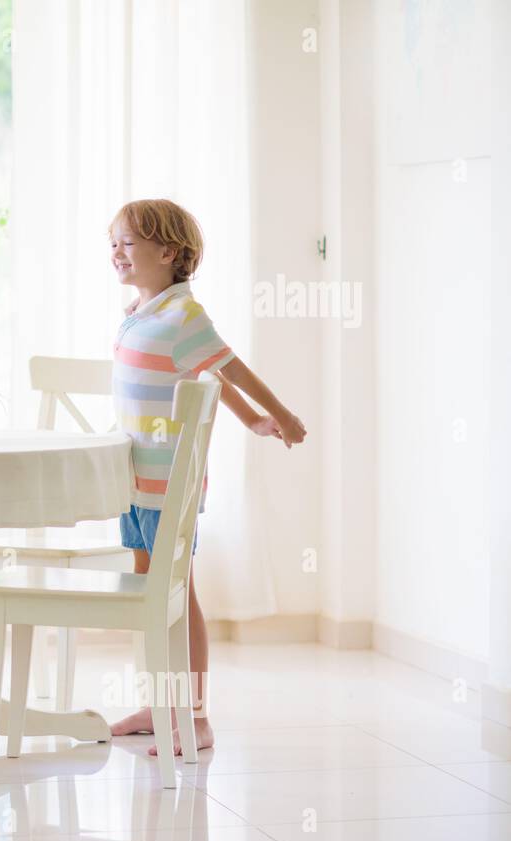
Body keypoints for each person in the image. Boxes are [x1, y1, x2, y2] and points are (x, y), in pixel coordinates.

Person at [108, 200, 307, 755]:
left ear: (167, 253)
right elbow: (202, 374)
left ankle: (194, 716)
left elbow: (229, 368)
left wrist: (280, 415)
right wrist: (249, 417)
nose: (116, 253)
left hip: (167, 486)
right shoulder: (143, 310)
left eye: (128, 243)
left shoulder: (182, 315)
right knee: (148, 595)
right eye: (114, 244)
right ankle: (160, 702)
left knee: (176, 594)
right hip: (135, 482)